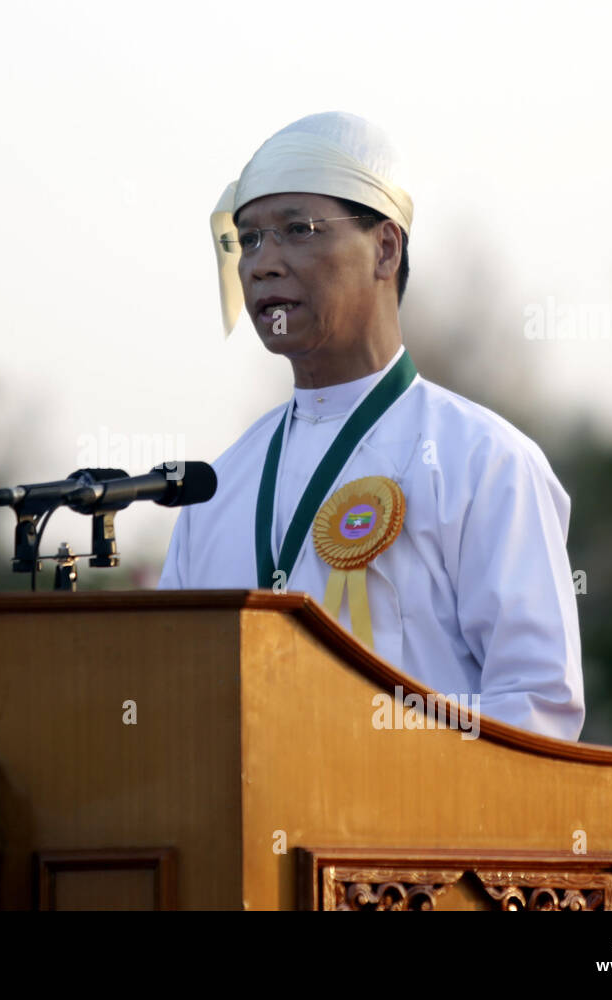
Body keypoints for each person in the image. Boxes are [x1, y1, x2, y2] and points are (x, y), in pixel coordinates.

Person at [158, 112, 584, 742]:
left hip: (414, 838)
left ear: (386, 248)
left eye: (297, 230)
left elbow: (537, 707)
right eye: (248, 240)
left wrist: (372, 781)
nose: (262, 264)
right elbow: (170, 697)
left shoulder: (486, 462)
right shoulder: (214, 488)